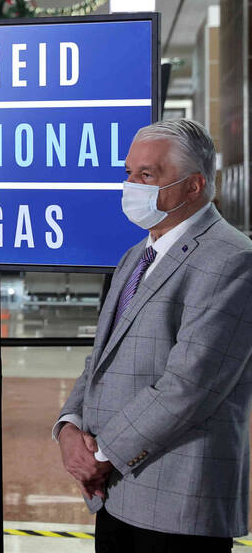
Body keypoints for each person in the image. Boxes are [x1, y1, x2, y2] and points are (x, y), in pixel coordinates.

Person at [54, 119, 252, 551]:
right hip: (116, 497)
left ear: (194, 186)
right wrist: (70, 429)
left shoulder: (232, 260)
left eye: (147, 175)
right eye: (129, 173)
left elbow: (190, 386)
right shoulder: (136, 256)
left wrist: (101, 456)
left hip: (178, 505)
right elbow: (100, 359)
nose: (132, 186)